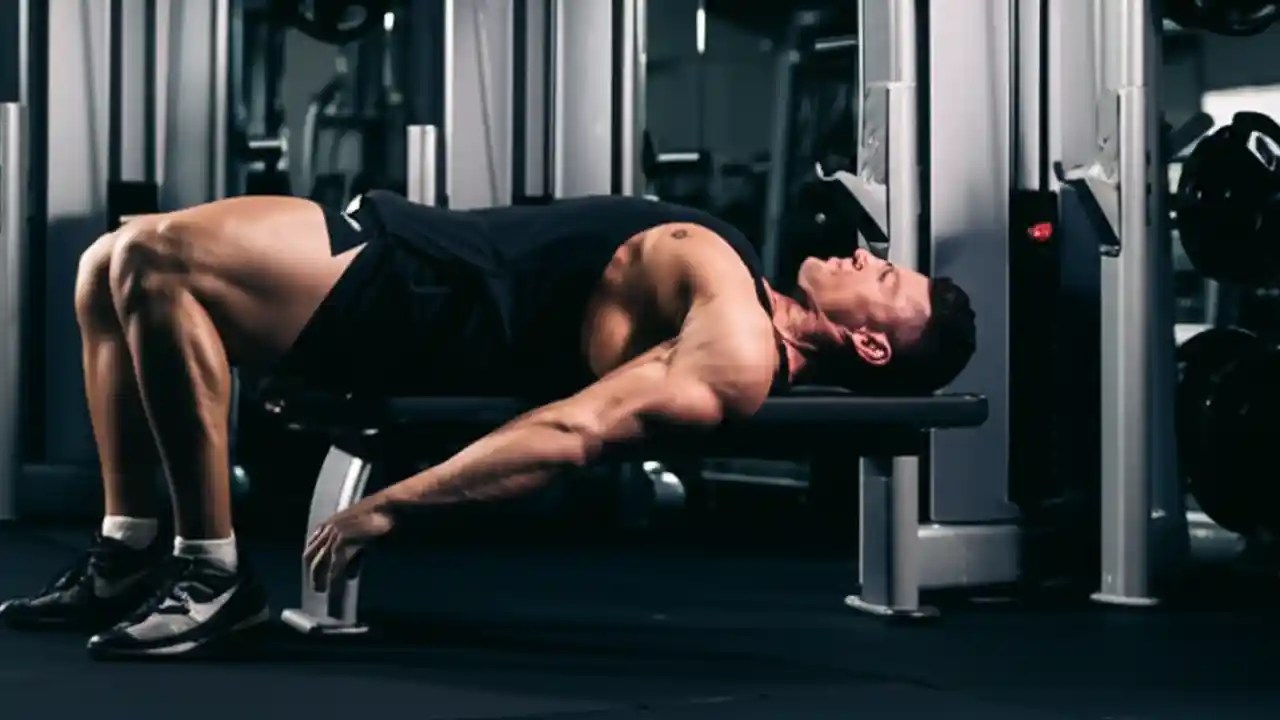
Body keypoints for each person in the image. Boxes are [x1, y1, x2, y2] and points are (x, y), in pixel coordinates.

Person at [0, 190, 976, 659]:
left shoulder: (735, 350)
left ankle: (213, 574)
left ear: (874, 348)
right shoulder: (738, 294)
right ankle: (129, 549)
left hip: (426, 295)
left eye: (885, 279)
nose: (862, 256)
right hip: (423, 253)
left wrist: (388, 509)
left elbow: (574, 433)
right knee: (109, 262)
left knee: (153, 262)